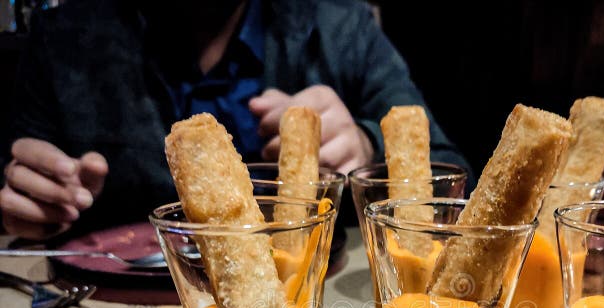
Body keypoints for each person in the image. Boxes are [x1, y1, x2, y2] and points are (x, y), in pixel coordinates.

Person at [0, 0, 471, 240]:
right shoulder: (64, 36)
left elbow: (450, 173)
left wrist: (366, 147)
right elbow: (17, 179)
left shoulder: (341, 27)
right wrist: (29, 200)